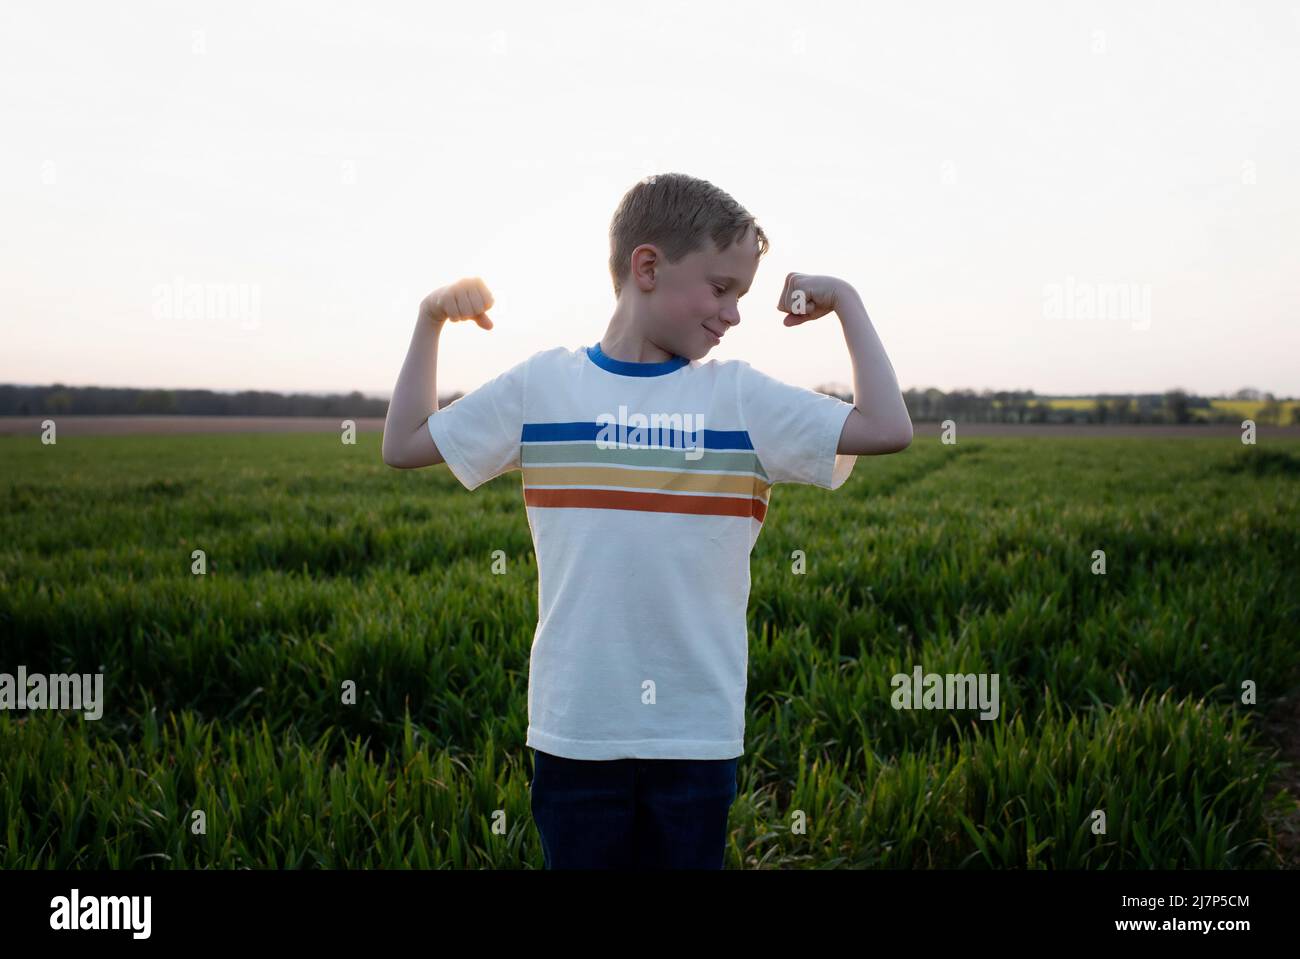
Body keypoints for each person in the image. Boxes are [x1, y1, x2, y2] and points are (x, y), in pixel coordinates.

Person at [381, 172, 913, 869]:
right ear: (649, 267)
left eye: (741, 296)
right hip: (576, 733)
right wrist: (429, 319)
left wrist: (847, 302)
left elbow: (888, 427)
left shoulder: (739, 398)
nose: (732, 313)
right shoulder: (545, 386)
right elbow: (404, 443)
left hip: (693, 738)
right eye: (721, 288)